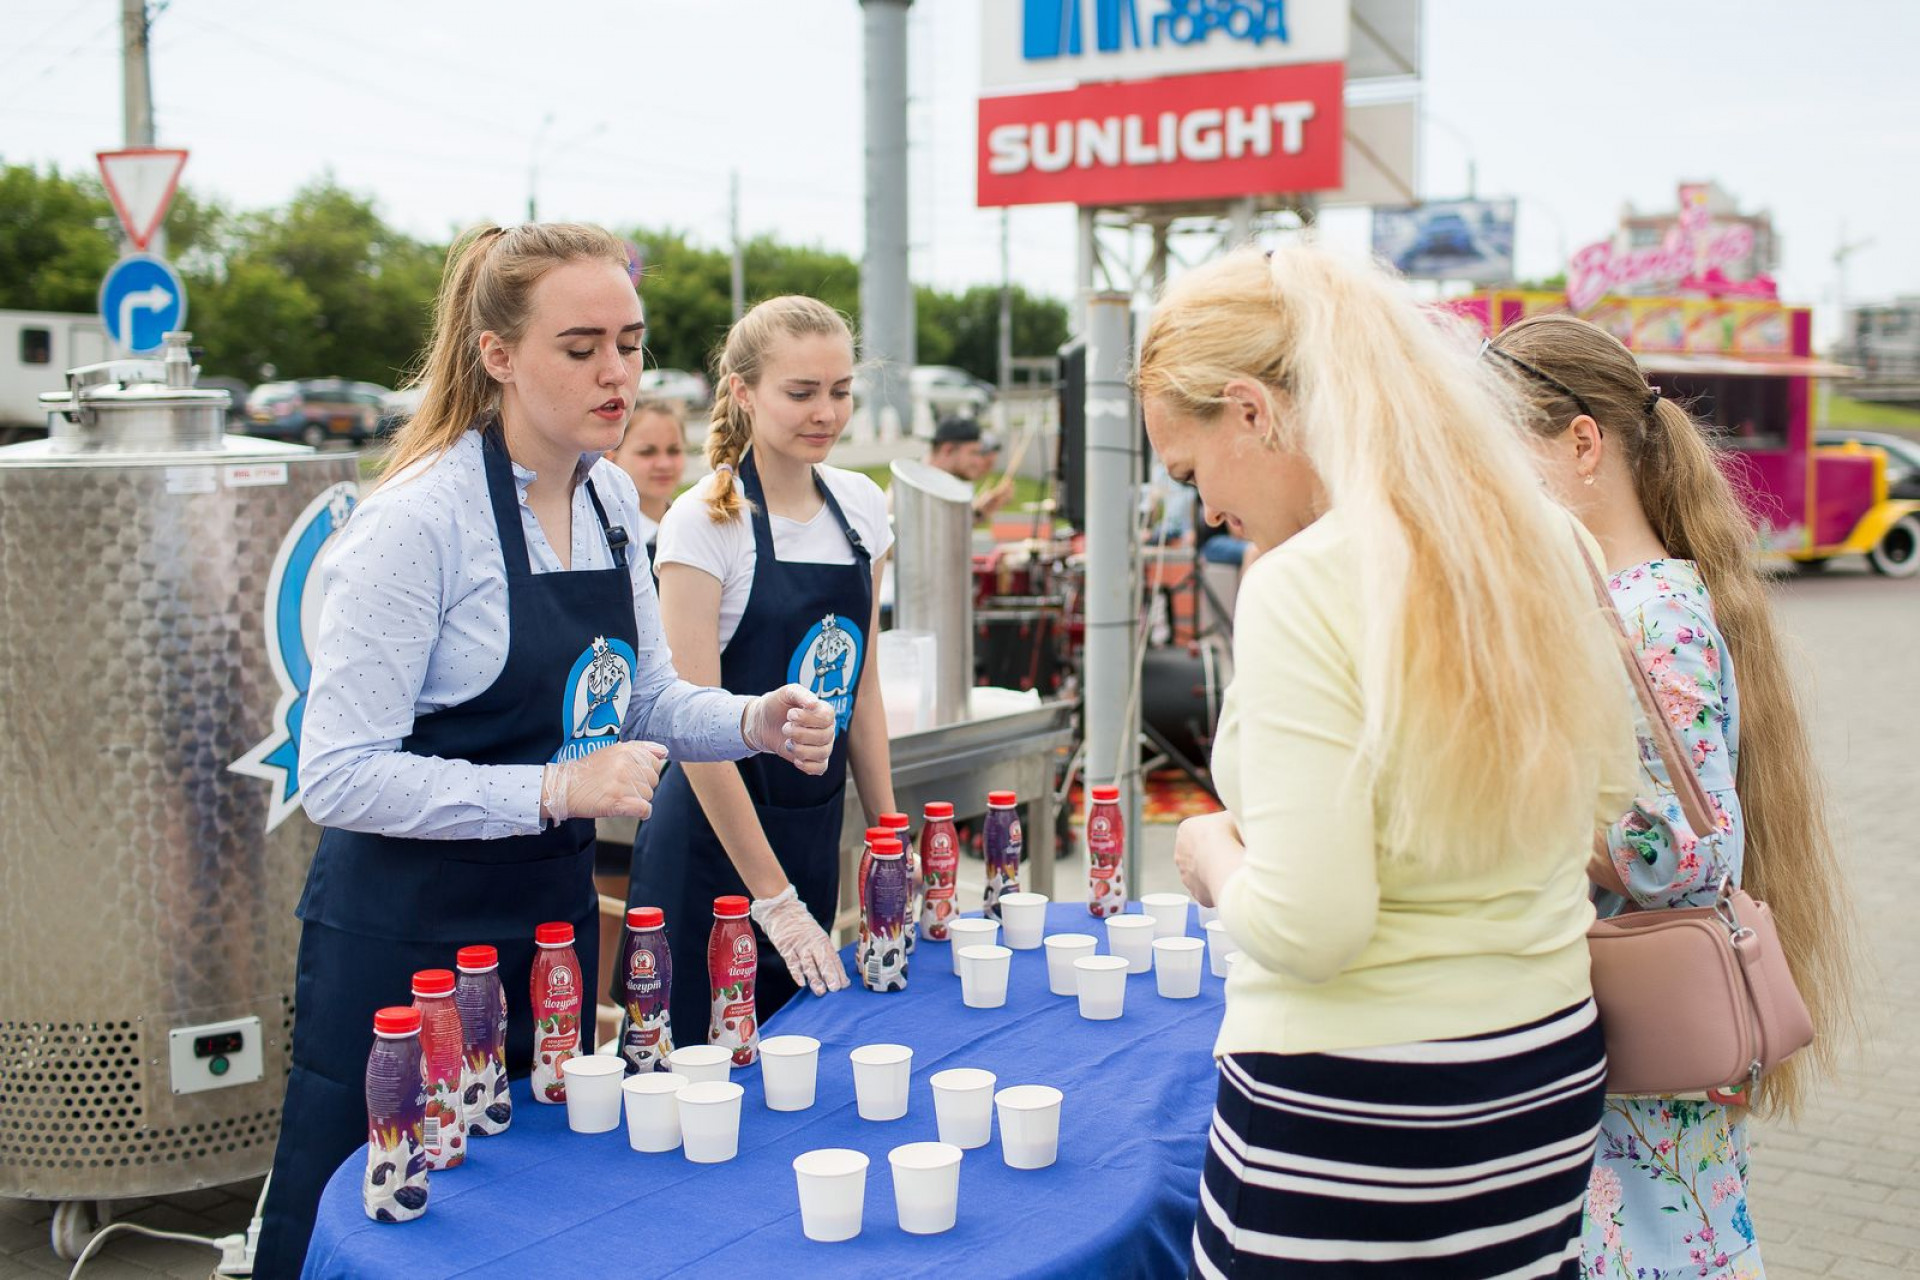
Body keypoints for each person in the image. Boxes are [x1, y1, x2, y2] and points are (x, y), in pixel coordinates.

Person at [254, 224, 836, 1279]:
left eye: (631, 340)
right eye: (580, 346)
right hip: (405, 948)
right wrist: (558, 786)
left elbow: (646, 695)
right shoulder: (415, 525)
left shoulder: (615, 501)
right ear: (498, 355)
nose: (617, 372)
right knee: (368, 1218)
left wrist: (751, 718)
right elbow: (337, 771)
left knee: (521, 1221)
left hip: (550, 938)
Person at [1140, 242, 1639, 1277]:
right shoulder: (1549, 538)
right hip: (1542, 1075)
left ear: (1252, 409)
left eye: (1190, 471)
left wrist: (1210, 855)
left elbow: (1311, 927)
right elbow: (1604, 805)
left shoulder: (1300, 585)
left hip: (1357, 1110)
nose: (1205, 511)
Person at [1489, 313, 1857, 1279]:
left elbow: (1688, 852)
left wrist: (1509, 804)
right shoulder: (1636, 597)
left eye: (1499, 449)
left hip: (1639, 1068)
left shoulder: (1651, 613)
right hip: (1638, 1057)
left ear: (1581, 443)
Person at [627, 295, 895, 1046]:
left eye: (840, 391)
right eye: (801, 392)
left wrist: (888, 840)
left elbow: (861, 694)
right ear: (744, 392)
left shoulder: (862, 508)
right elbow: (690, 722)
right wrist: (772, 900)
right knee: (696, 1077)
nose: (827, 413)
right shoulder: (705, 522)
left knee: (797, 1065)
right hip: (712, 847)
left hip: (810, 828)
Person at [604, 393, 689, 564]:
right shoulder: (602, 542)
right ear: (611, 457)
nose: (664, 464)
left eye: (674, 451)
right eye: (647, 452)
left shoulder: (695, 529)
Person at [926, 413, 1015, 522]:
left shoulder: (956, 484)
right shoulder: (917, 491)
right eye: (973, 453)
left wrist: (980, 512)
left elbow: (950, 530)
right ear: (948, 450)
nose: (979, 461)